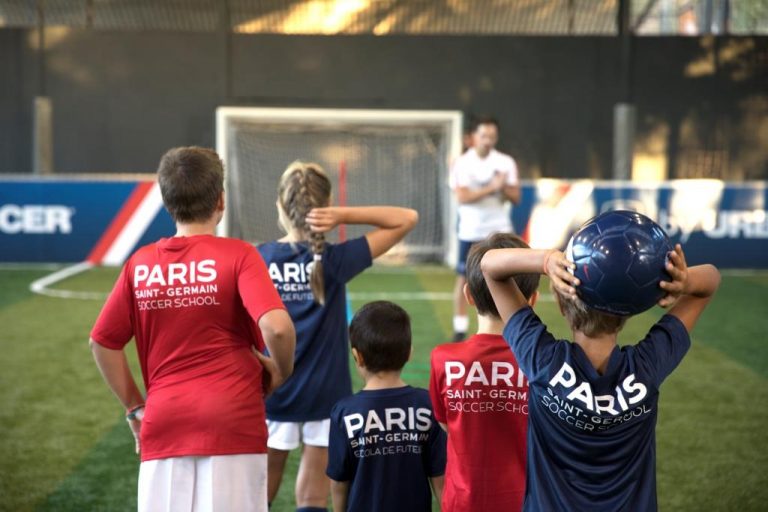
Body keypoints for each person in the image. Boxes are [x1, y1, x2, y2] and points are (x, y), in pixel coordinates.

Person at [89, 146, 296, 512]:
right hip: (234, 420)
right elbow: (277, 329)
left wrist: (135, 408)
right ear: (221, 201)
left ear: (167, 202)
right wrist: (282, 371)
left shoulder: (140, 264)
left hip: (164, 421)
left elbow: (102, 342)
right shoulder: (239, 255)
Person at [481, 241, 720, 511]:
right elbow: (711, 278)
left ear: (561, 305)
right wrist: (682, 281)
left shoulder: (542, 360)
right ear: (627, 313)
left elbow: (490, 265)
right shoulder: (647, 366)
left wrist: (547, 260)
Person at [258, 161, 418, 512]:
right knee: (313, 497)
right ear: (327, 207)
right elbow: (406, 218)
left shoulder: (259, 259)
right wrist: (343, 215)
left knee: (259, 491)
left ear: (280, 206)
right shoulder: (335, 259)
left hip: (273, 389)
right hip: (325, 391)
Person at [429, 233, 538, 511]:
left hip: (463, 502)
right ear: (533, 300)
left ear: (468, 295)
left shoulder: (444, 359)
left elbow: (447, 425)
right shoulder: (542, 362)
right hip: (526, 501)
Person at [327, 301, 446, 512]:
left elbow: (339, 481)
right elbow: (440, 479)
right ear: (409, 353)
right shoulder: (427, 405)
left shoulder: (344, 412)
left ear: (357, 356)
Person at [450, 116, 520, 341]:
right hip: (471, 231)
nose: (488, 140)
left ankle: (512, 327)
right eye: (483, 136)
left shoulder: (505, 162)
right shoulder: (462, 163)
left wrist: (502, 187)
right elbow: (462, 196)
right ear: (473, 137)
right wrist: (492, 187)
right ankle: (460, 329)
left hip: (500, 231)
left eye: (492, 136)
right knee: (464, 279)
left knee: (510, 280)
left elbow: (516, 196)